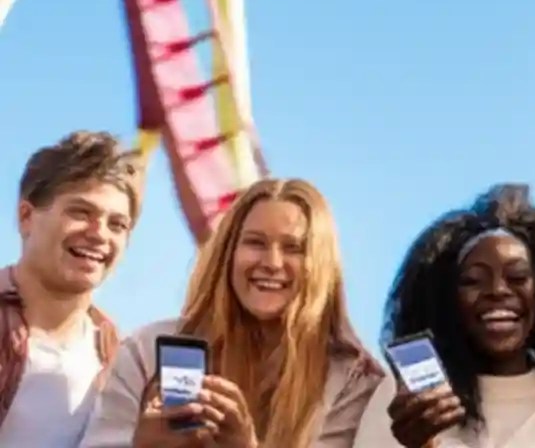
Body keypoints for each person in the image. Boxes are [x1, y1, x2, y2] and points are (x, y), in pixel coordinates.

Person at [81, 177, 384, 448]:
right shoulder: (147, 350)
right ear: (228, 253)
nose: (272, 262)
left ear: (321, 266)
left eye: (294, 248)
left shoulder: (351, 379)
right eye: (255, 243)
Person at [354, 183, 535, 447]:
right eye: (473, 280)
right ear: (446, 299)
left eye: (517, 277)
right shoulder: (403, 400)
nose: (497, 290)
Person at [0, 131, 142, 446]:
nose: (99, 234)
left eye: (117, 224)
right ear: (26, 217)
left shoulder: (118, 353)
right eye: (80, 212)